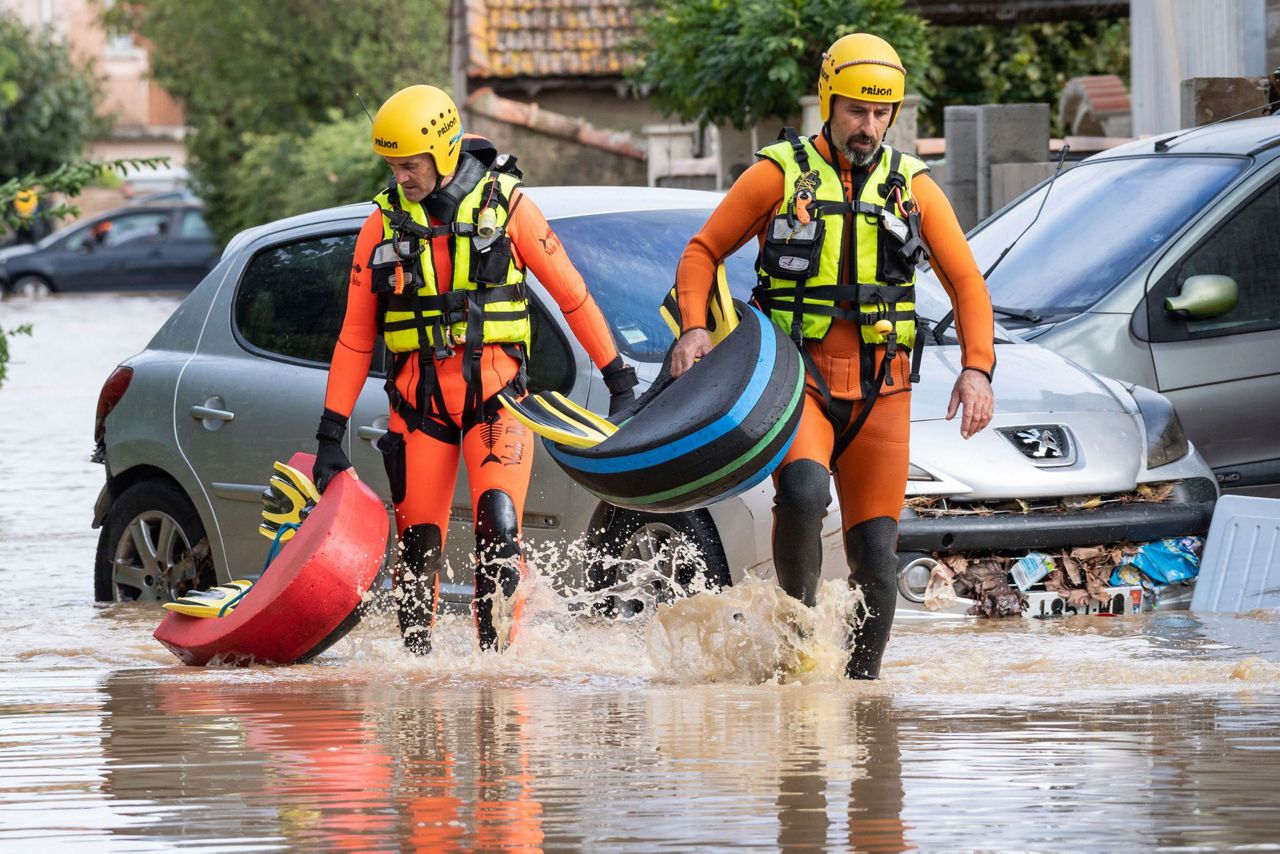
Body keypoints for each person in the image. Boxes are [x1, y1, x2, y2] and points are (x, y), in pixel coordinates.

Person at [670, 33, 996, 679]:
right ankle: (797, 662)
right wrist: (694, 328)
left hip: (884, 389)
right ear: (829, 101)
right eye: (856, 111)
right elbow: (702, 251)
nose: (868, 126)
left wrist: (977, 367)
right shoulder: (777, 174)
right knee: (803, 489)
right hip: (801, 385)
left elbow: (967, 284)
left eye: (881, 114)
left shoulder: (916, 188)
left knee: (877, 554)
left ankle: (861, 694)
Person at [314, 85, 636, 655]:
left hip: (497, 400)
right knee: (417, 551)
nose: (399, 178)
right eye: (391, 167)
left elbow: (573, 295)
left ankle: (497, 677)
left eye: (409, 166)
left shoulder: (508, 206)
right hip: (419, 409)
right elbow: (356, 336)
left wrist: (620, 382)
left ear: (441, 153)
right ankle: (418, 687)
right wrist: (330, 434)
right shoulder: (380, 225)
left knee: (499, 527)